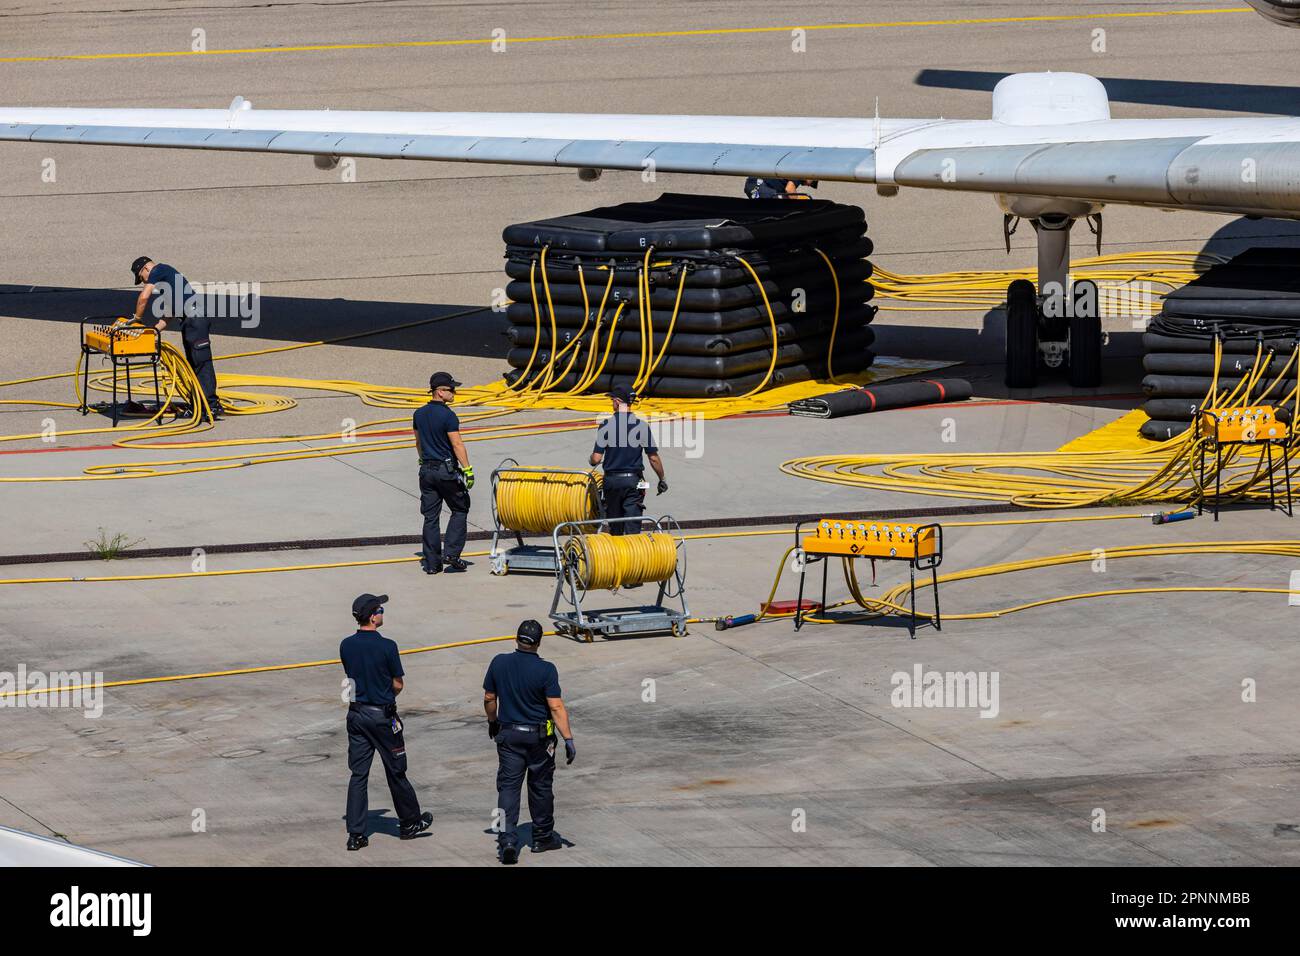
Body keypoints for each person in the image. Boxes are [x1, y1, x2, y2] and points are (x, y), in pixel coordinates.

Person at [339, 593, 433, 851]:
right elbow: (398, 684)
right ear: (372, 616)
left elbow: (353, 676)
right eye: (380, 609)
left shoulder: (346, 645)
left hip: (356, 715)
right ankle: (410, 822)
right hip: (382, 716)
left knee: (358, 775)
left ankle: (356, 835)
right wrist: (385, 691)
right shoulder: (388, 646)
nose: (383, 612)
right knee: (396, 770)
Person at [482, 620, 575, 864]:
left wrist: (492, 721)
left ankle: (507, 840)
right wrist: (568, 738)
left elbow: (489, 697)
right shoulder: (546, 670)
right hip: (538, 739)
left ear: (517, 639)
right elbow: (555, 706)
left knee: (508, 789)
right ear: (539, 642)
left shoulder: (499, 662)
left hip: (509, 736)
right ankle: (542, 837)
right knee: (541, 787)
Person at [129, 256, 222, 421]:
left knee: (201, 364)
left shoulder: (158, 270)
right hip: (191, 322)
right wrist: (153, 331)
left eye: (141, 278)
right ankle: (198, 406)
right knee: (193, 365)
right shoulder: (168, 280)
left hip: (195, 321)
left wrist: (136, 318)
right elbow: (171, 312)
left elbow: (144, 297)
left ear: (145, 269)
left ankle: (211, 406)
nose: (144, 282)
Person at [413, 371, 473, 573]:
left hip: (426, 471)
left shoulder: (418, 414)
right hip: (445, 471)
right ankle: (452, 553)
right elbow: (457, 444)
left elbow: (418, 442)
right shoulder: (448, 415)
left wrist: (423, 458)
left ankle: (431, 564)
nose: (454, 393)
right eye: (451, 389)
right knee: (460, 507)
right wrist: (468, 469)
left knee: (431, 517)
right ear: (439, 392)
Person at [589, 384, 666, 536]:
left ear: (618, 402)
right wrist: (662, 479)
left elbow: (596, 458)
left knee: (615, 528)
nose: (612, 404)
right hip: (634, 482)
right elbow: (653, 458)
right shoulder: (642, 426)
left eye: (612, 400)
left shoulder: (605, 426)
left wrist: (591, 460)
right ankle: (633, 557)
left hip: (611, 483)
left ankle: (618, 557)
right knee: (633, 529)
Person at [743, 177, 816, 199]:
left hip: (752, 183)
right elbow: (789, 189)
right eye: (812, 183)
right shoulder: (802, 173)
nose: (809, 185)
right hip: (759, 185)